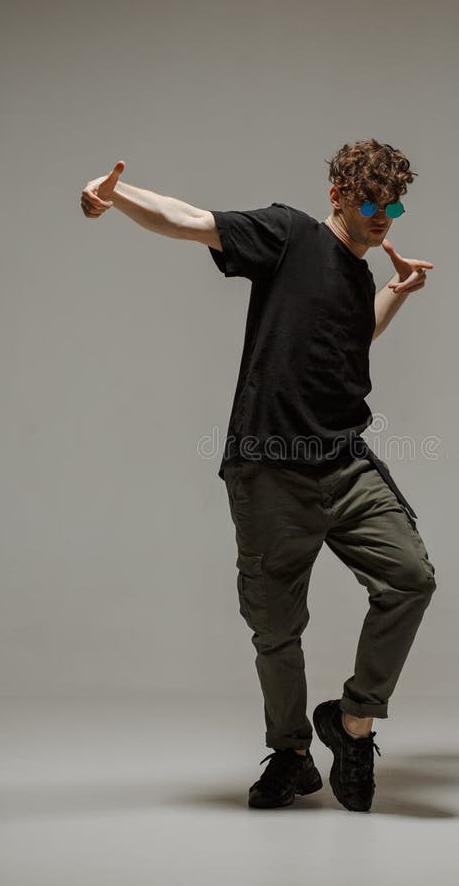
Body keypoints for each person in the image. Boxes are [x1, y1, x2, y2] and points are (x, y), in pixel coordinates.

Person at [80, 138, 438, 812]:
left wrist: (394, 291)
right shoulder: (288, 235)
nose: (382, 215)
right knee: (276, 626)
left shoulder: (358, 274)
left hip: (343, 462)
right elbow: (188, 219)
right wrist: (115, 193)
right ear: (337, 195)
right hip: (269, 472)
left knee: (409, 580)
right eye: (368, 201)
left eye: (392, 204)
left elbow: (350, 343)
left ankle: (353, 722)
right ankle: (291, 753)